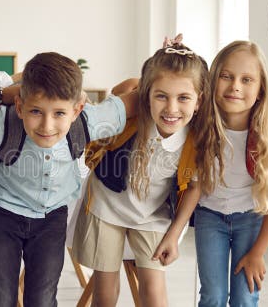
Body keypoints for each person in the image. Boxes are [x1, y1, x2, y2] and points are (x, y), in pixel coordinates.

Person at [0, 52, 134, 306]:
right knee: (0, 297)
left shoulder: (89, 121)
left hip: (51, 218)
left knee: (42, 299)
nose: (47, 125)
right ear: (19, 106)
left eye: (59, 113)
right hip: (2, 214)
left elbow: (137, 97)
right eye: (35, 111)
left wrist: (170, 58)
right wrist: (0, 94)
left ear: (77, 110)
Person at [71, 36, 207, 306]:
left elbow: (194, 187)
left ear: (199, 101)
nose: (171, 108)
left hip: (152, 215)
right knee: (105, 293)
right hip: (107, 206)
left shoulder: (197, 138)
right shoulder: (133, 116)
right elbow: (122, 88)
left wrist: (173, 236)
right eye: (161, 96)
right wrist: (158, 60)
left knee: (154, 293)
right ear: (146, 95)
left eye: (183, 98)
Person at [192, 40, 268, 307]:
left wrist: (258, 252)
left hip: (251, 219)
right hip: (209, 218)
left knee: (245, 297)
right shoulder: (200, 126)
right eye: (226, 76)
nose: (235, 85)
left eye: (247, 79)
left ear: (260, 90)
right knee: (212, 295)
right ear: (213, 81)